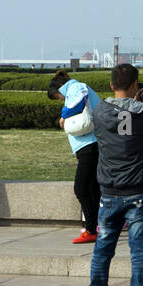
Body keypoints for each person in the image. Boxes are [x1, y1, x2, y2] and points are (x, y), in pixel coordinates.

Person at [86, 63, 143, 286]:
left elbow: (119, 121)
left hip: (109, 191)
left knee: (103, 248)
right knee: (139, 251)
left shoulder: (99, 112)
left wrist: (134, 100)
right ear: (135, 85)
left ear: (111, 85)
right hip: (138, 191)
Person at [47, 69, 102, 244]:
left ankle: (92, 229)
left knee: (81, 188)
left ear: (59, 90)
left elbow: (79, 104)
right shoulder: (75, 88)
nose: (61, 101)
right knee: (92, 188)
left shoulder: (76, 87)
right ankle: (97, 226)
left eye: (58, 98)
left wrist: (64, 116)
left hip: (89, 145)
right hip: (90, 145)